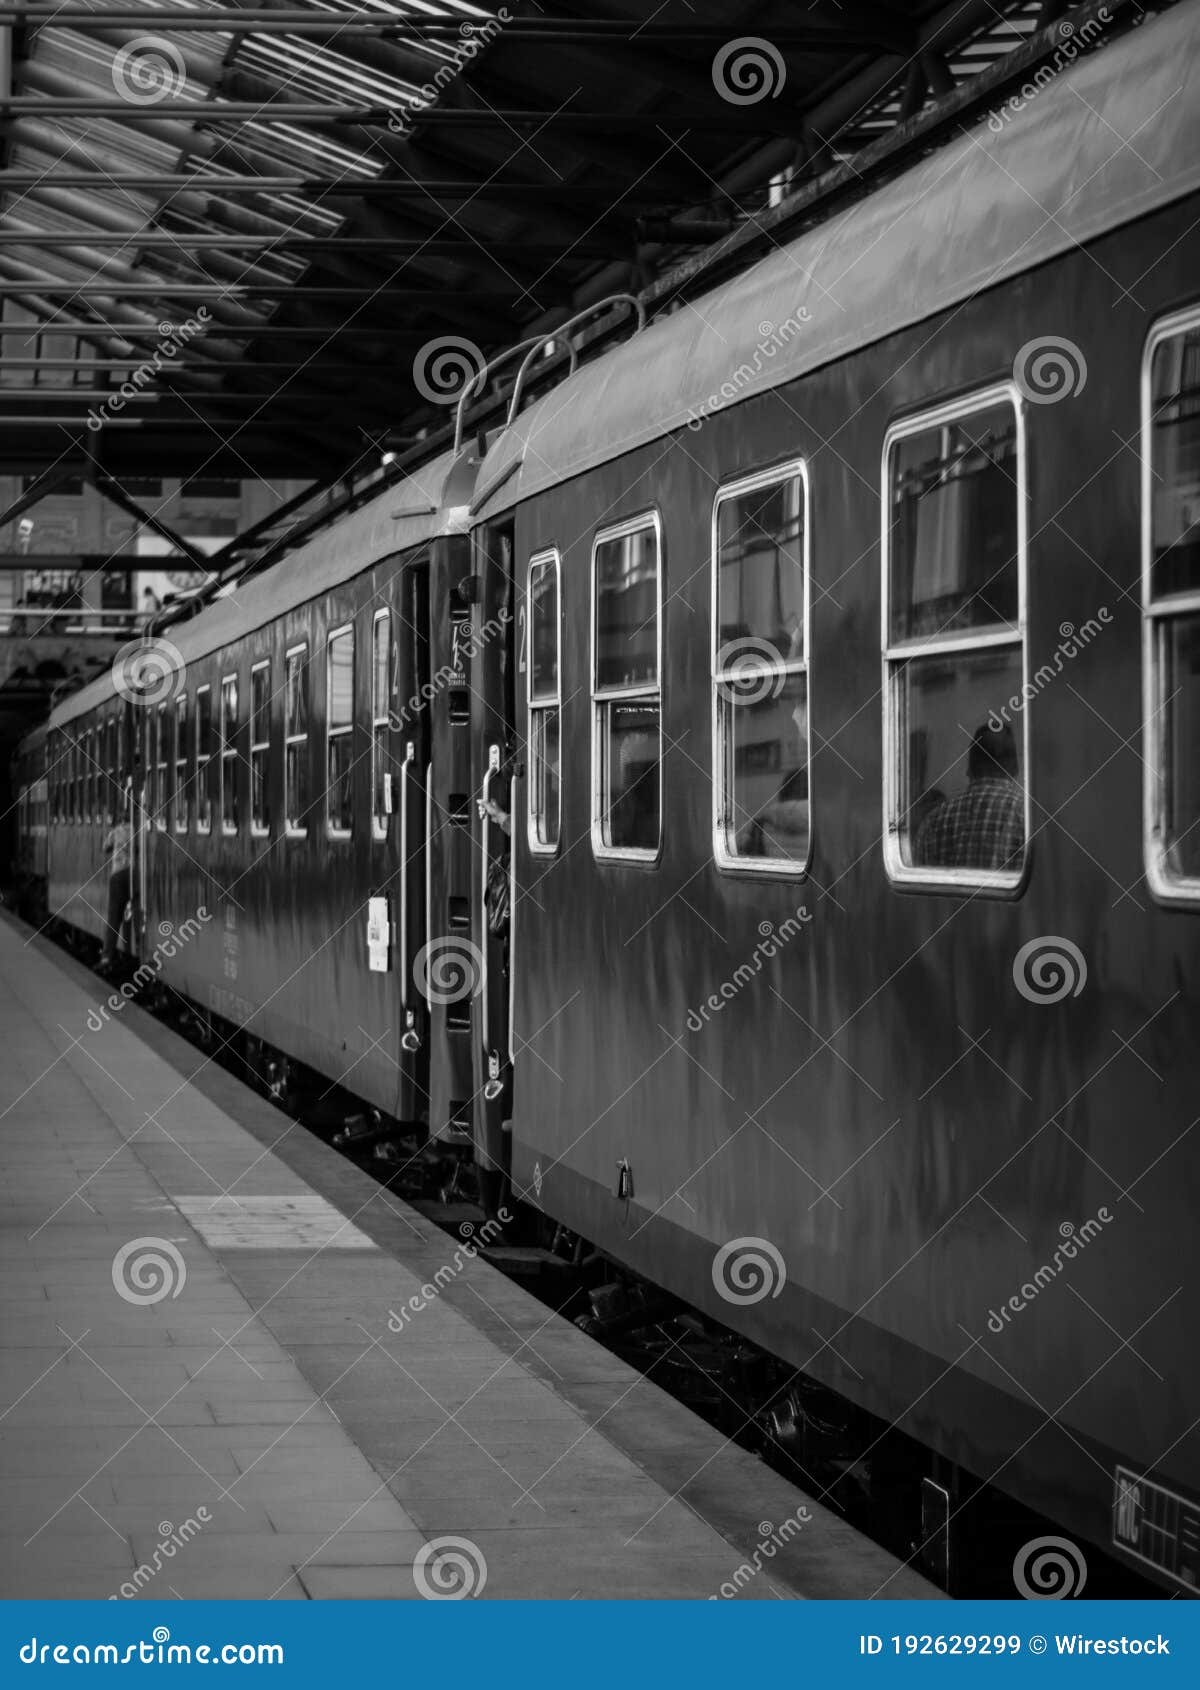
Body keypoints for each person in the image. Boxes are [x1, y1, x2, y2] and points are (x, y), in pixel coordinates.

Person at [913, 721, 1024, 871]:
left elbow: (919, 887)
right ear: (1015, 768)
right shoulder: (1028, 819)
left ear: (970, 769)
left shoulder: (933, 822)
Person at [99, 804, 134, 971]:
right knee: (134, 915)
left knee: (114, 917)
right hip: (134, 875)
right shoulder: (138, 830)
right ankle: (136, 951)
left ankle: (107, 956)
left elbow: (105, 847)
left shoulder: (116, 831)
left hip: (118, 875)